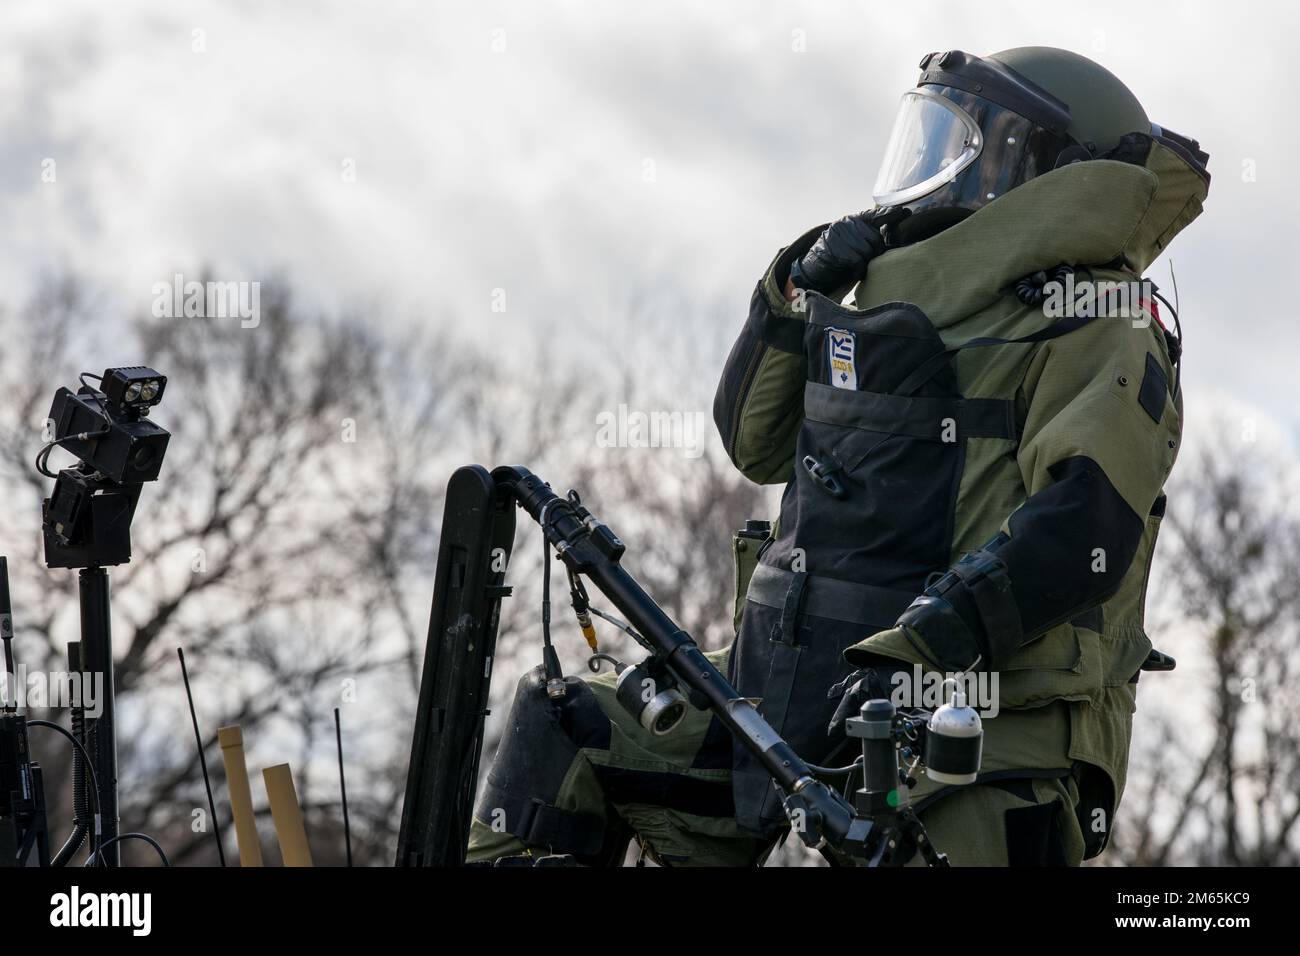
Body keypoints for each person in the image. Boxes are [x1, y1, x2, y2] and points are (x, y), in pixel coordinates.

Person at [467, 46, 1209, 866]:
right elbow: (754, 444)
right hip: (795, 678)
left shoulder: (1102, 321)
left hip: (986, 722)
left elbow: (1084, 526)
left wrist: (922, 651)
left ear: (1044, 170)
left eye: (962, 145)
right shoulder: (893, 305)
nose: (928, 171)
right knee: (567, 724)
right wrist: (793, 299)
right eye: (925, 139)